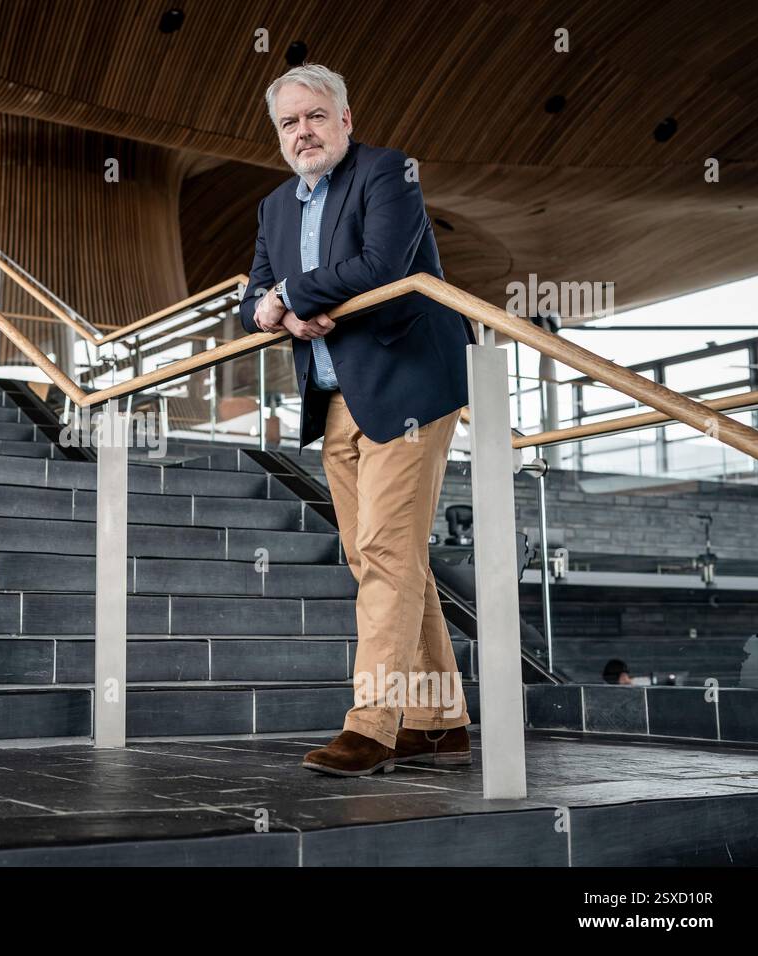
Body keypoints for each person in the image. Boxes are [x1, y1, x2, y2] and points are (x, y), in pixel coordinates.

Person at [239, 64, 478, 776]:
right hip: (335, 398)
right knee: (383, 556)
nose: (302, 132)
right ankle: (438, 721)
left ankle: (373, 724)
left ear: (345, 118)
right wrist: (266, 305)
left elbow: (382, 264)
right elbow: (252, 289)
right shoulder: (275, 206)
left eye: (315, 116)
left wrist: (287, 295)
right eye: (288, 123)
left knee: (382, 552)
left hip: (407, 385)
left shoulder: (387, 173)